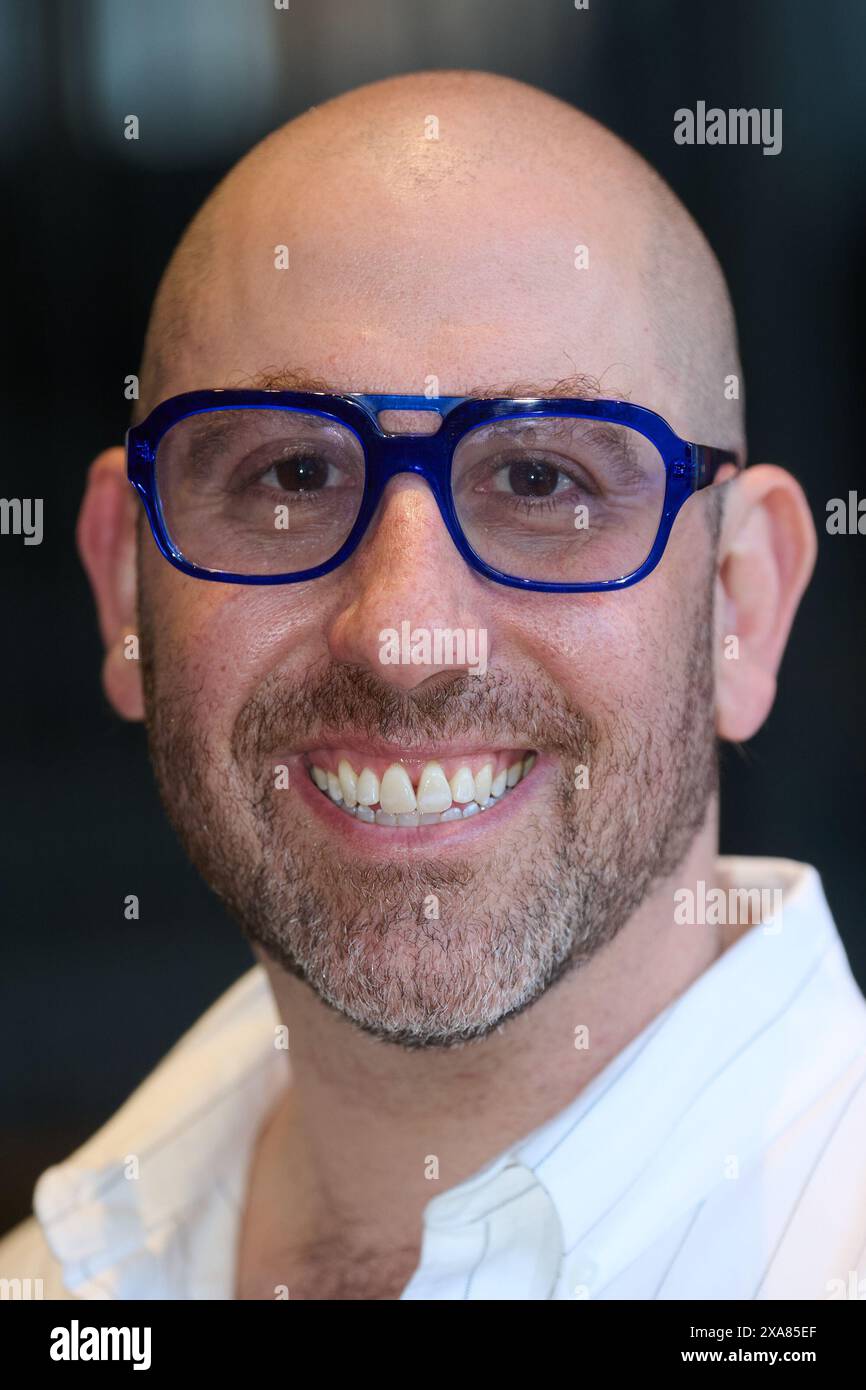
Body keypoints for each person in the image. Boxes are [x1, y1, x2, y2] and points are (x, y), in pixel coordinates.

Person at [3, 69, 863, 1302]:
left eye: (540, 482)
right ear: (123, 587)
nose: (402, 636)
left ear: (741, 604)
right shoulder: (59, 1286)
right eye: (292, 473)